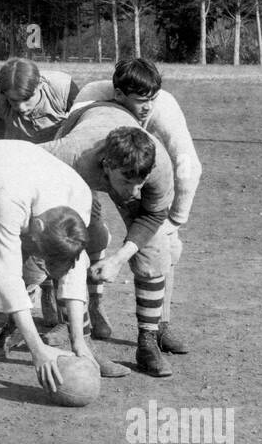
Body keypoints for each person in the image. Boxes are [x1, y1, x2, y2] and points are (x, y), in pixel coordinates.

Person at [71, 58, 201, 347]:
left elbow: (187, 165)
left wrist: (173, 222)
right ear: (118, 94)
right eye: (141, 100)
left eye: (152, 99)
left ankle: (159, 326)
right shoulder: (91, 96)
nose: (148, 107)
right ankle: (92, 308)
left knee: (164, 247)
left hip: (145, 172)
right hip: (96, 166)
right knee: (85, 234)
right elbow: (73, 144)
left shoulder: (163, 108)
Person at [46, 105, 180, 376]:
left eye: (140, 182)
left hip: (114, 150)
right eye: (127, 181)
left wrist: (118, 259)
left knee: (154, 253)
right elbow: (27, 161)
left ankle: (147, 341)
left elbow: (153, 215)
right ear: (107, 166)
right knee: (71, 246)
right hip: (77, 164)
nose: (134, 191)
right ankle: (81, 339)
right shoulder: (69, 153)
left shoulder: (159, 165)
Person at [0, 141, 102, 393]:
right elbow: (7, 275)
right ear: (36, 229)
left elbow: (74, 268)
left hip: (27, 174)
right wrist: (37, 350)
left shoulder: (80, 197)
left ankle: (18, 324)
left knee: (39, 267)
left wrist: (79, 341)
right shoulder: (11, 198)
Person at [0, 57, 79, 143]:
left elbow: (80, 133)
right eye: (13, 100)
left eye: (26, 99)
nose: (21, 108)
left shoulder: (64, 90)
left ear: (39, 85)